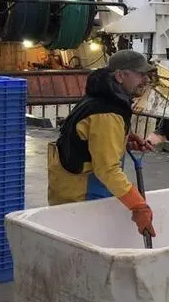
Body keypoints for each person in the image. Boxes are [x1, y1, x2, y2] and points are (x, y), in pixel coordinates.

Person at [47, 49, 160, 240]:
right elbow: (107, 170)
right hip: (82, 195)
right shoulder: (107, 112)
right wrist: (138, 206)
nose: (145, 80)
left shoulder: (102, 97)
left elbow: (91, 138)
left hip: (74, 188)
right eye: (140, 74)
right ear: (120, 76)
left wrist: (124, 138)